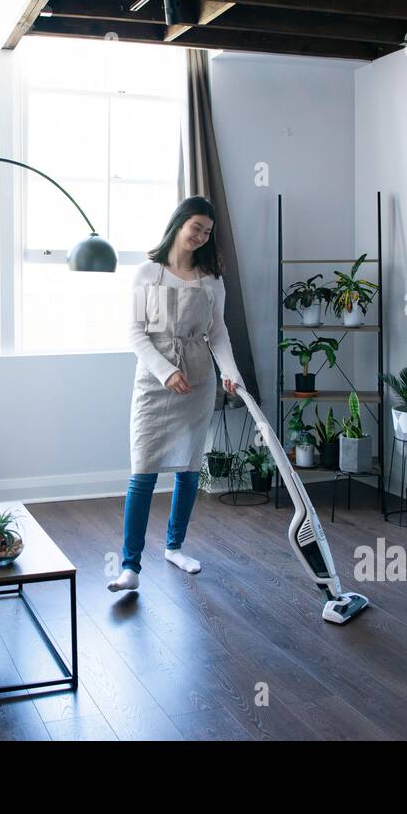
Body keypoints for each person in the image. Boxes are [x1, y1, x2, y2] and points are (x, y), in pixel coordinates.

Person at [110, 196, 243, 593]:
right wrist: (166, 371)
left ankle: (175, 545)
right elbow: (135, 332)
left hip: (198, 381)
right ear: (180, 222)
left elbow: (217, 333)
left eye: (207, 232)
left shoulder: (212, 279)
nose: (201, 236)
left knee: (188, 467)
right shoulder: (147, 273)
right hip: (154, 382)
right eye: (196, 227)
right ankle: (130, 566)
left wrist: (230, 372)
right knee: (143, 472)